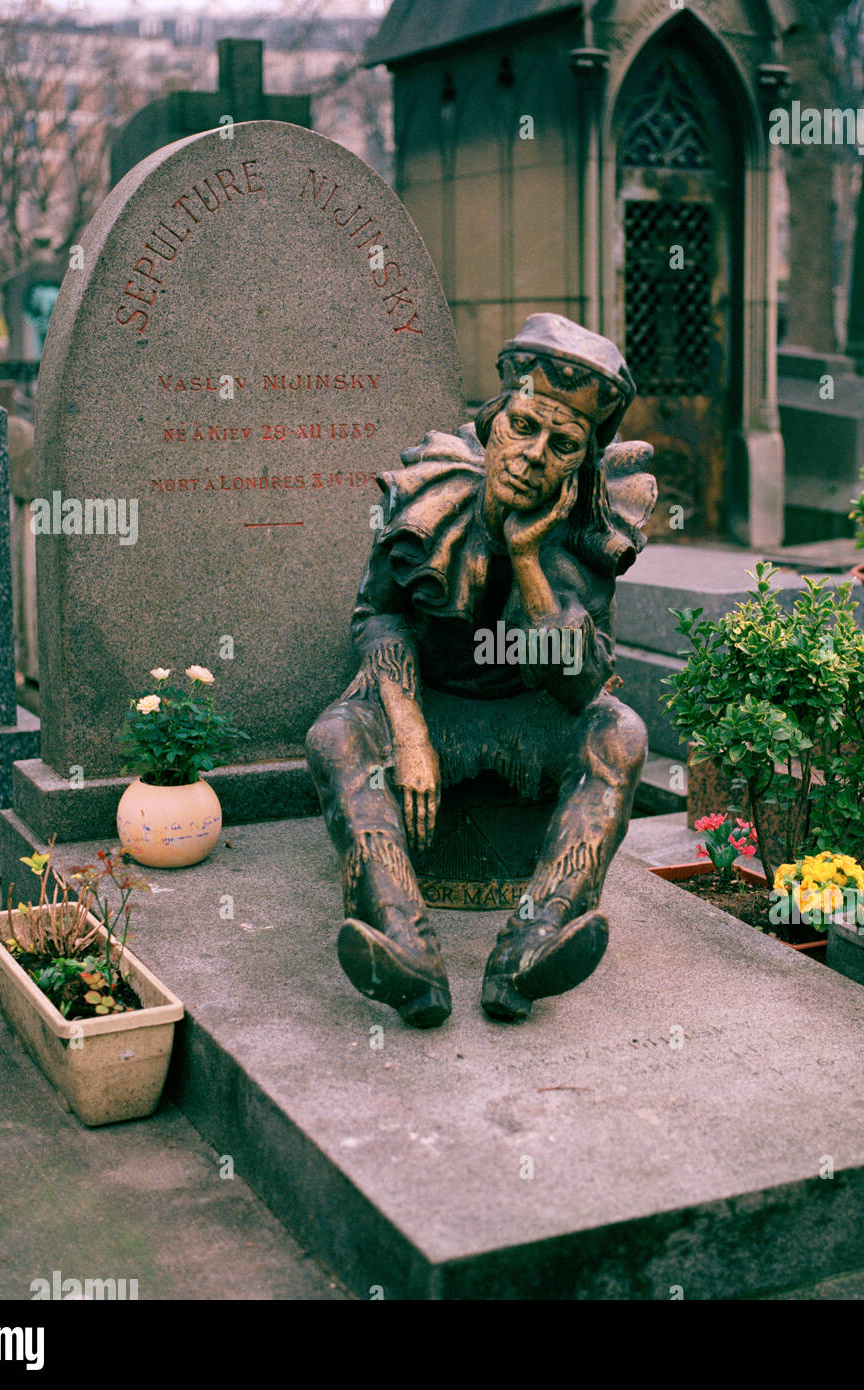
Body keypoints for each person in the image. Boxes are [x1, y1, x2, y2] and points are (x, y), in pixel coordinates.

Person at [307, 313, 656, 1027]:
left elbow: (582, 685)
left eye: (562, 445)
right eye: (523, 427)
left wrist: (527, 560)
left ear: (582, 462)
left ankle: (533, 943)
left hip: (528, 717)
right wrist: (407, 734)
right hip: (428, 704)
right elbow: (377, 615)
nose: (532, 455)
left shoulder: (590, 530)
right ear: (494, 420)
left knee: (618, 733)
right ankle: (406, 945)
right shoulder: (424, 492)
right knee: (337, 737)